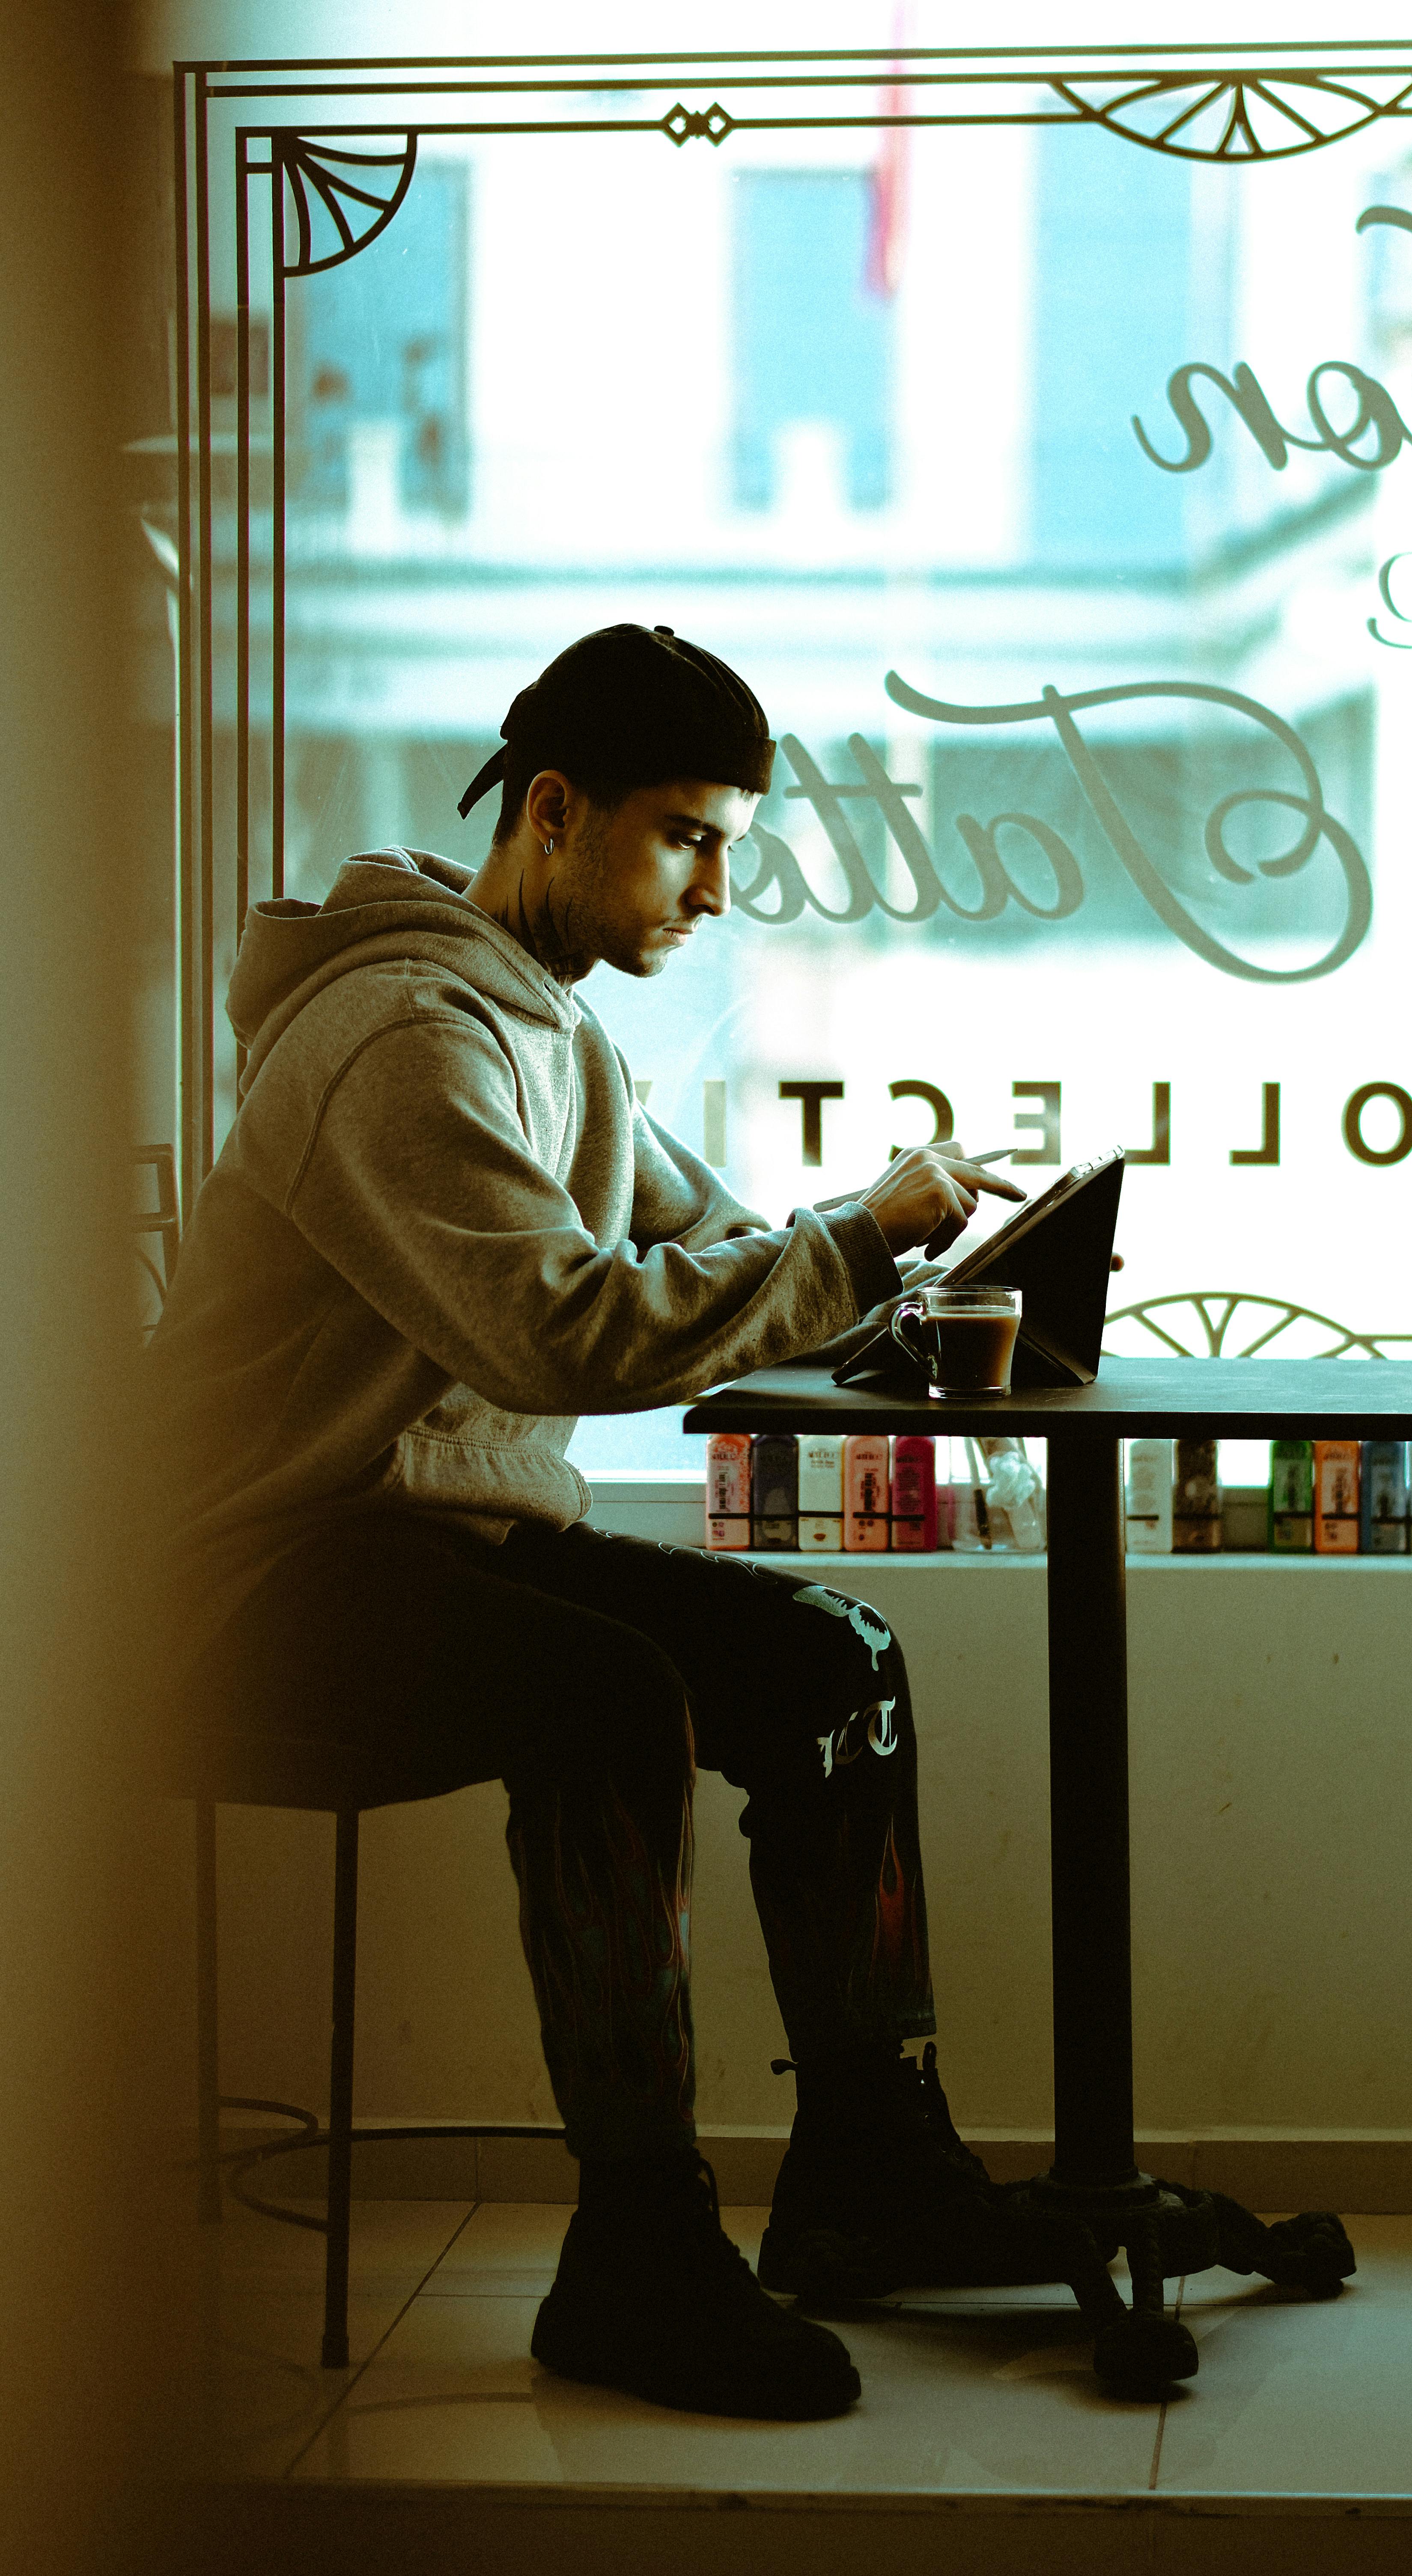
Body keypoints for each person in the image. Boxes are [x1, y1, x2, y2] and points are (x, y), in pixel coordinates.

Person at [149, 622, 1032, 2424]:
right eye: (688, 834)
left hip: (430, 1544)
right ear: (555, 810)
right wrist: (851, 1244)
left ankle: (864, 2168)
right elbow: (563, 1325)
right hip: (244, 1570)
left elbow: (711, 1259)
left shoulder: (551, 1029)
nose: (719, 884)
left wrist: (920, 1278)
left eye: (730, 841)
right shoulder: (400, 1030)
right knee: (611, 1695)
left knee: (830, 1656)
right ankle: (635, 2245)